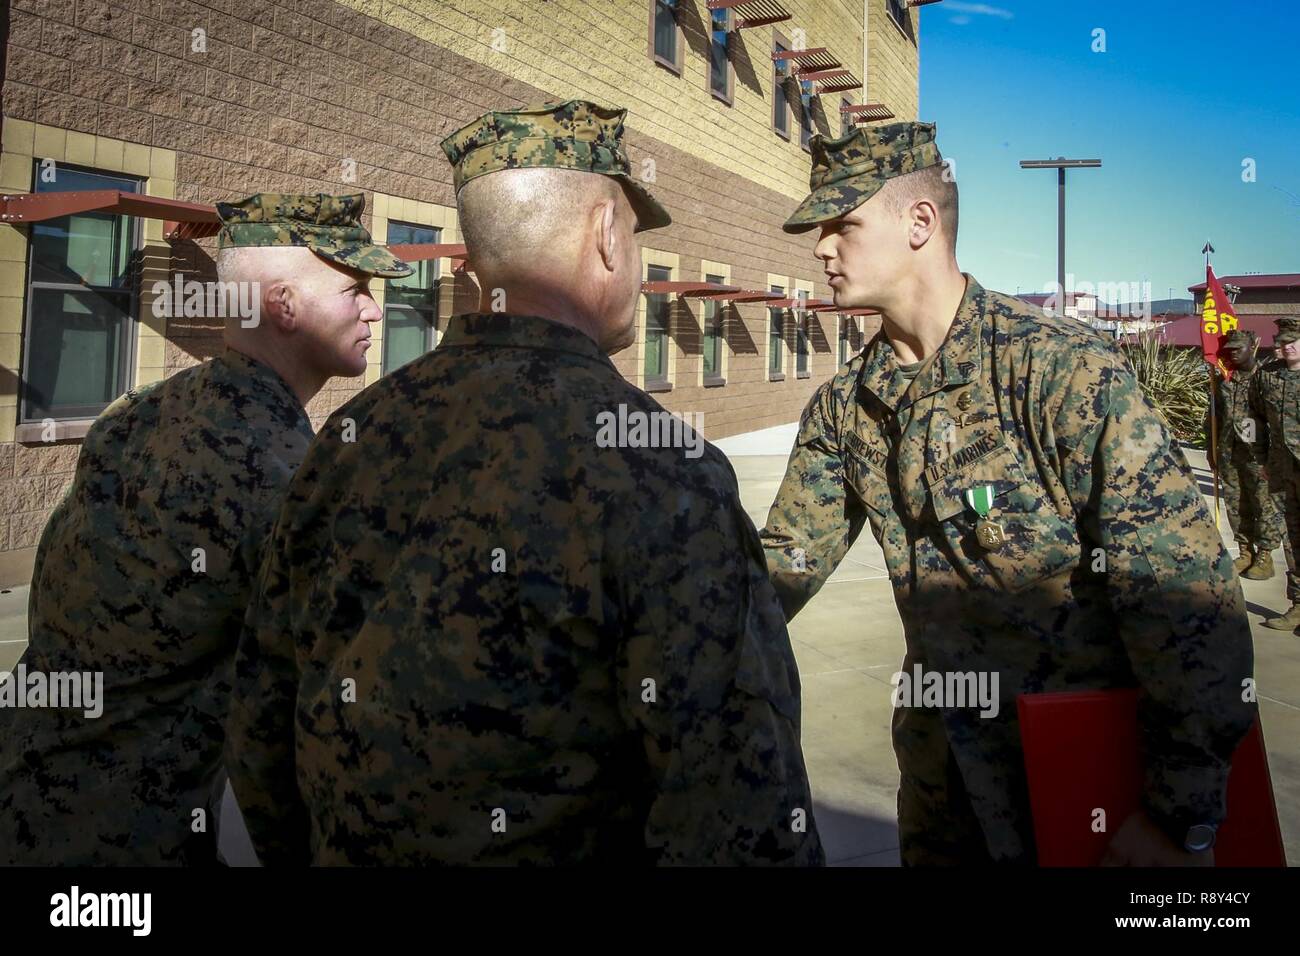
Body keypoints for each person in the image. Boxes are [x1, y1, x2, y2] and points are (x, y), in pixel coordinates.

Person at [226, 100, 824, 866]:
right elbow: (740, 810)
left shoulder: (346, 441)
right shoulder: (660, 469)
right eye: (637, 240)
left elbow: (261, 720)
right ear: (607, 235)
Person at [760, 120, 1256, 865]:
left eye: (843, 223)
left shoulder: (1058, 371)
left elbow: (1184, 600)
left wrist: (1180, 815)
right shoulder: (846, 408)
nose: (822, 247)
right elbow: (780, 569)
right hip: (944, 791)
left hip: (1088, 786)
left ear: (920, 222)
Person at [0, 193, 409, 864]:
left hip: (29, 795)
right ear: (284, 306)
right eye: (354, 289)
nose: (374, 307)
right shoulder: (285, 474)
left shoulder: (136, 412)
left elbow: (56, 590)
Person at [1206, 330, 1279, 579]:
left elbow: (1277, 420)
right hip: (1229, 452)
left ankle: (1265, 556)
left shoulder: (1265, 378)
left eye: (1239, 348)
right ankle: (1245, 551)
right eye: (1230, 350)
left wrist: (1274, 458)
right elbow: (1213, 418)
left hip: (1258, 455)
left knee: (1263, 505)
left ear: (1253, 347)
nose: (1234, 353)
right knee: (1236, 504)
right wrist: (1210, 448)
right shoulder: (1225, 380)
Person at [1253, 316, 1300, 630]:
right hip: (1283, 469)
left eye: (1294, 340)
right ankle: (1298, 606)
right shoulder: (1267, 376)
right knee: (1293, 539)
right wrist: (1261, 459)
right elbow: (1252, 420)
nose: (1288, 346)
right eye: (1283, 341)